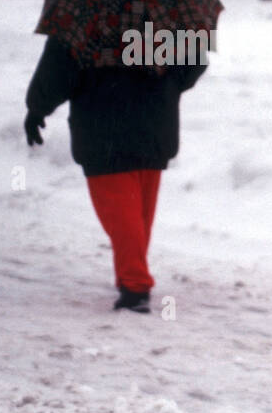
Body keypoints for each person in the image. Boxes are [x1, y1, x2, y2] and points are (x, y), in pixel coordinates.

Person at [23, 37, 206, 313]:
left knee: (120, 214)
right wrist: (168, 82)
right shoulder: (164, 12)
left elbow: (58, 68)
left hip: (102, 130)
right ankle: (130, 275)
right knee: (139, 215)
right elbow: (196, 59)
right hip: (155, 126)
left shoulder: (83, 14)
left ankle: (135, 285)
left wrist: (37, 108)